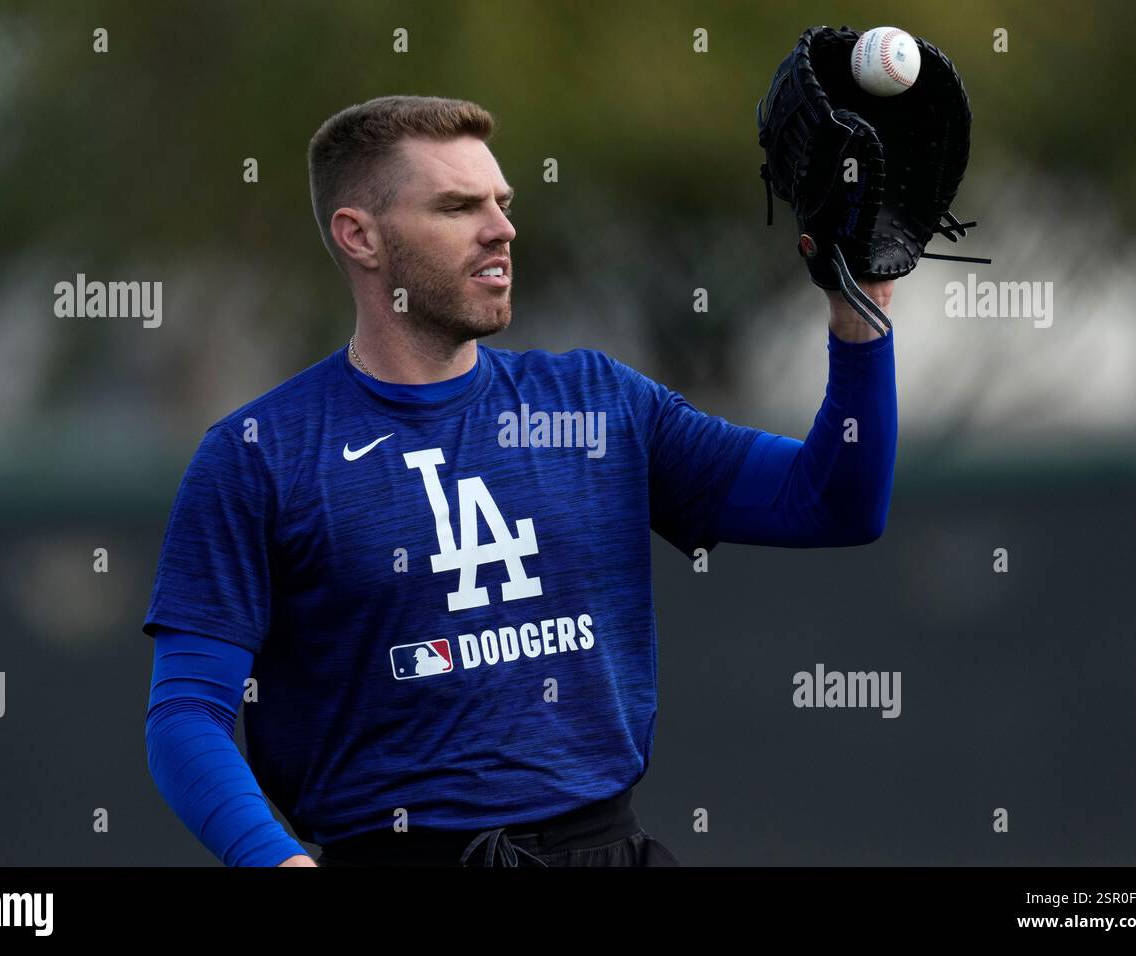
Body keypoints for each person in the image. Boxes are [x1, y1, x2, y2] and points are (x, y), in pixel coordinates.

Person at [143, 95, 897, 867]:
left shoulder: (599, 404)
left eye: (502, 203)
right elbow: (185, 717)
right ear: (360, 236)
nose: (501, 228)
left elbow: (833, 502)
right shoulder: (260, 453)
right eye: (457, 206)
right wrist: (276, 864)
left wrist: (859, 306)